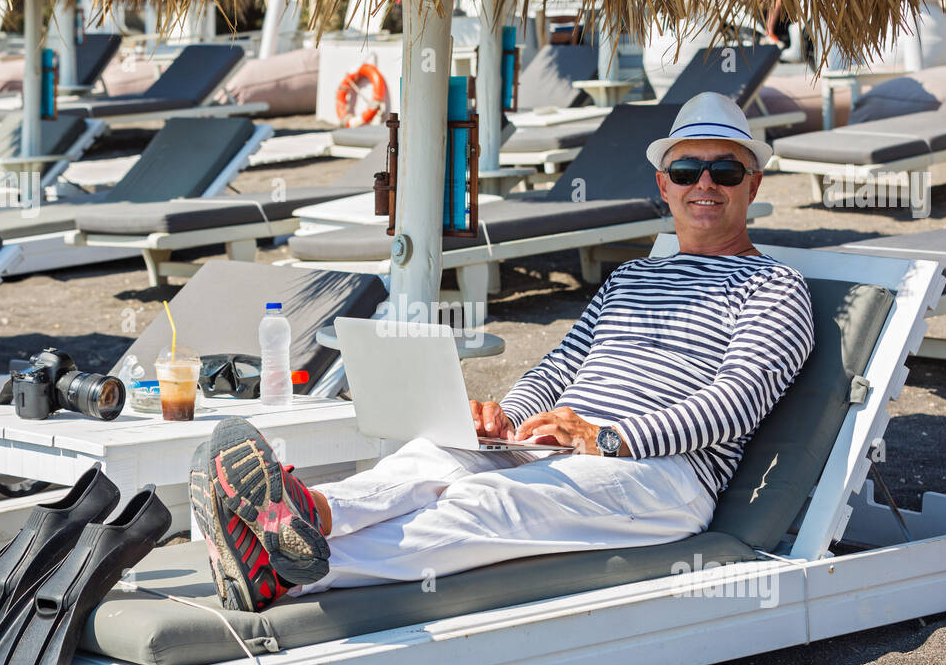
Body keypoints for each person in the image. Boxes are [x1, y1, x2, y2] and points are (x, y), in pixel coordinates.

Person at [189, 91, 816, 613]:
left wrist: (607, 438)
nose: (704, 184)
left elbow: (737, 405)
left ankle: (290, 570)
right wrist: (507, 419)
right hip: (560, 447)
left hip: (662, 476)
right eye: (687, 171)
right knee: (434, 455)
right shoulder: (631, 277)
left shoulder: (775, 287)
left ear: (753, 185)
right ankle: (313, 515)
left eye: (725, 171)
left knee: (488, 503)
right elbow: (560, 366)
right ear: (664, 184)